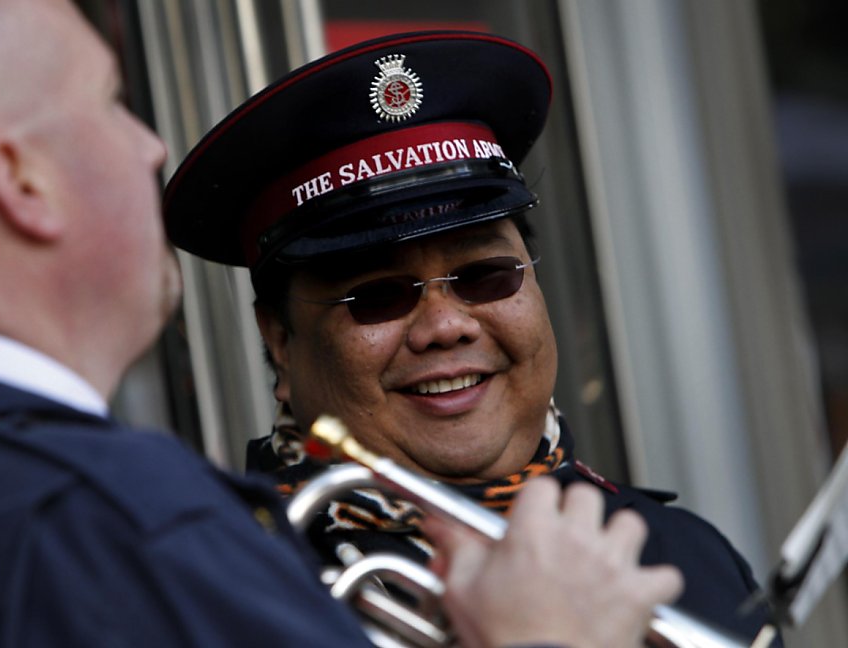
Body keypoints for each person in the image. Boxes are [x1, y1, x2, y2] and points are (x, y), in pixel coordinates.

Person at [0, 1, 681, 647]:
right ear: (22, 180)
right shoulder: (126, 528)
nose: (149, 147)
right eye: (114, 103)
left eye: (486, 276)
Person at [162, 29, 780, 644]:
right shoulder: (206, 583)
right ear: (280, 341)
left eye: (485, 277)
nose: (446, 327)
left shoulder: (683, 554)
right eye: (379, 295)